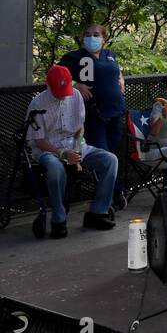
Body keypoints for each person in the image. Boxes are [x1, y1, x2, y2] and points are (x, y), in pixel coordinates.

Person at [25, 65, 118, 236]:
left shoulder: (75, 96)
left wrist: (76, 147)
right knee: (55, 168)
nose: (62, 94)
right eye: (58, 91)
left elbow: (80, 128)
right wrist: (62, 154)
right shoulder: (37, 103)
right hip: (48, 149)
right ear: (48, 85)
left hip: (74, 145)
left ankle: (98, 212)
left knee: (110, 160)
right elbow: (38, 140)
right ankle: (58, 218)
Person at [58, 23, 128, 207]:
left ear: (104, 38)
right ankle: (106, 199)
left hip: (116, 113)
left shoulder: (110, 55)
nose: (92, 37)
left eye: (96, 34)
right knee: (104, 156)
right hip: (94, 115)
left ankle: (117, 192)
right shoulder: (74, 57)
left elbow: (117, 71)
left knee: (116, 155)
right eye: (88, 34)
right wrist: (75, 85)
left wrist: (121, 78)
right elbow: (55, 76)